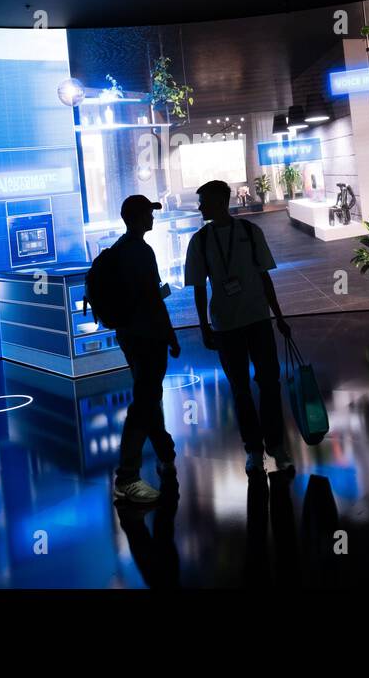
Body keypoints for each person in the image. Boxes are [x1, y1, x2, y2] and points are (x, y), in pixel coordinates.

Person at [184, 179, 294, 476]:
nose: (200, 207)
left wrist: (278, 316)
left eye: (204, 201)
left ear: (220, 202)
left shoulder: (248, 232)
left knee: (269, 384)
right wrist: (204, 325)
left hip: (258, 318)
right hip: (225, 325)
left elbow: (264, 277)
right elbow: (197, 286)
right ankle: (254, 450)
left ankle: (276, 446)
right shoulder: (200, 240)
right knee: (241, 389)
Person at [109, 195, 181, 505]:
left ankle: (164, 453)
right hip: (147, 337)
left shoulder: (119, 250)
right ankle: (127, 477)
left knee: (149, 397)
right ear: (138, 217)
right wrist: (171, 336)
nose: (153, 217)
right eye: (149, 213)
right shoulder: (140, 251)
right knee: (144, 403)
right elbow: (153, 299)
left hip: (129, 336)